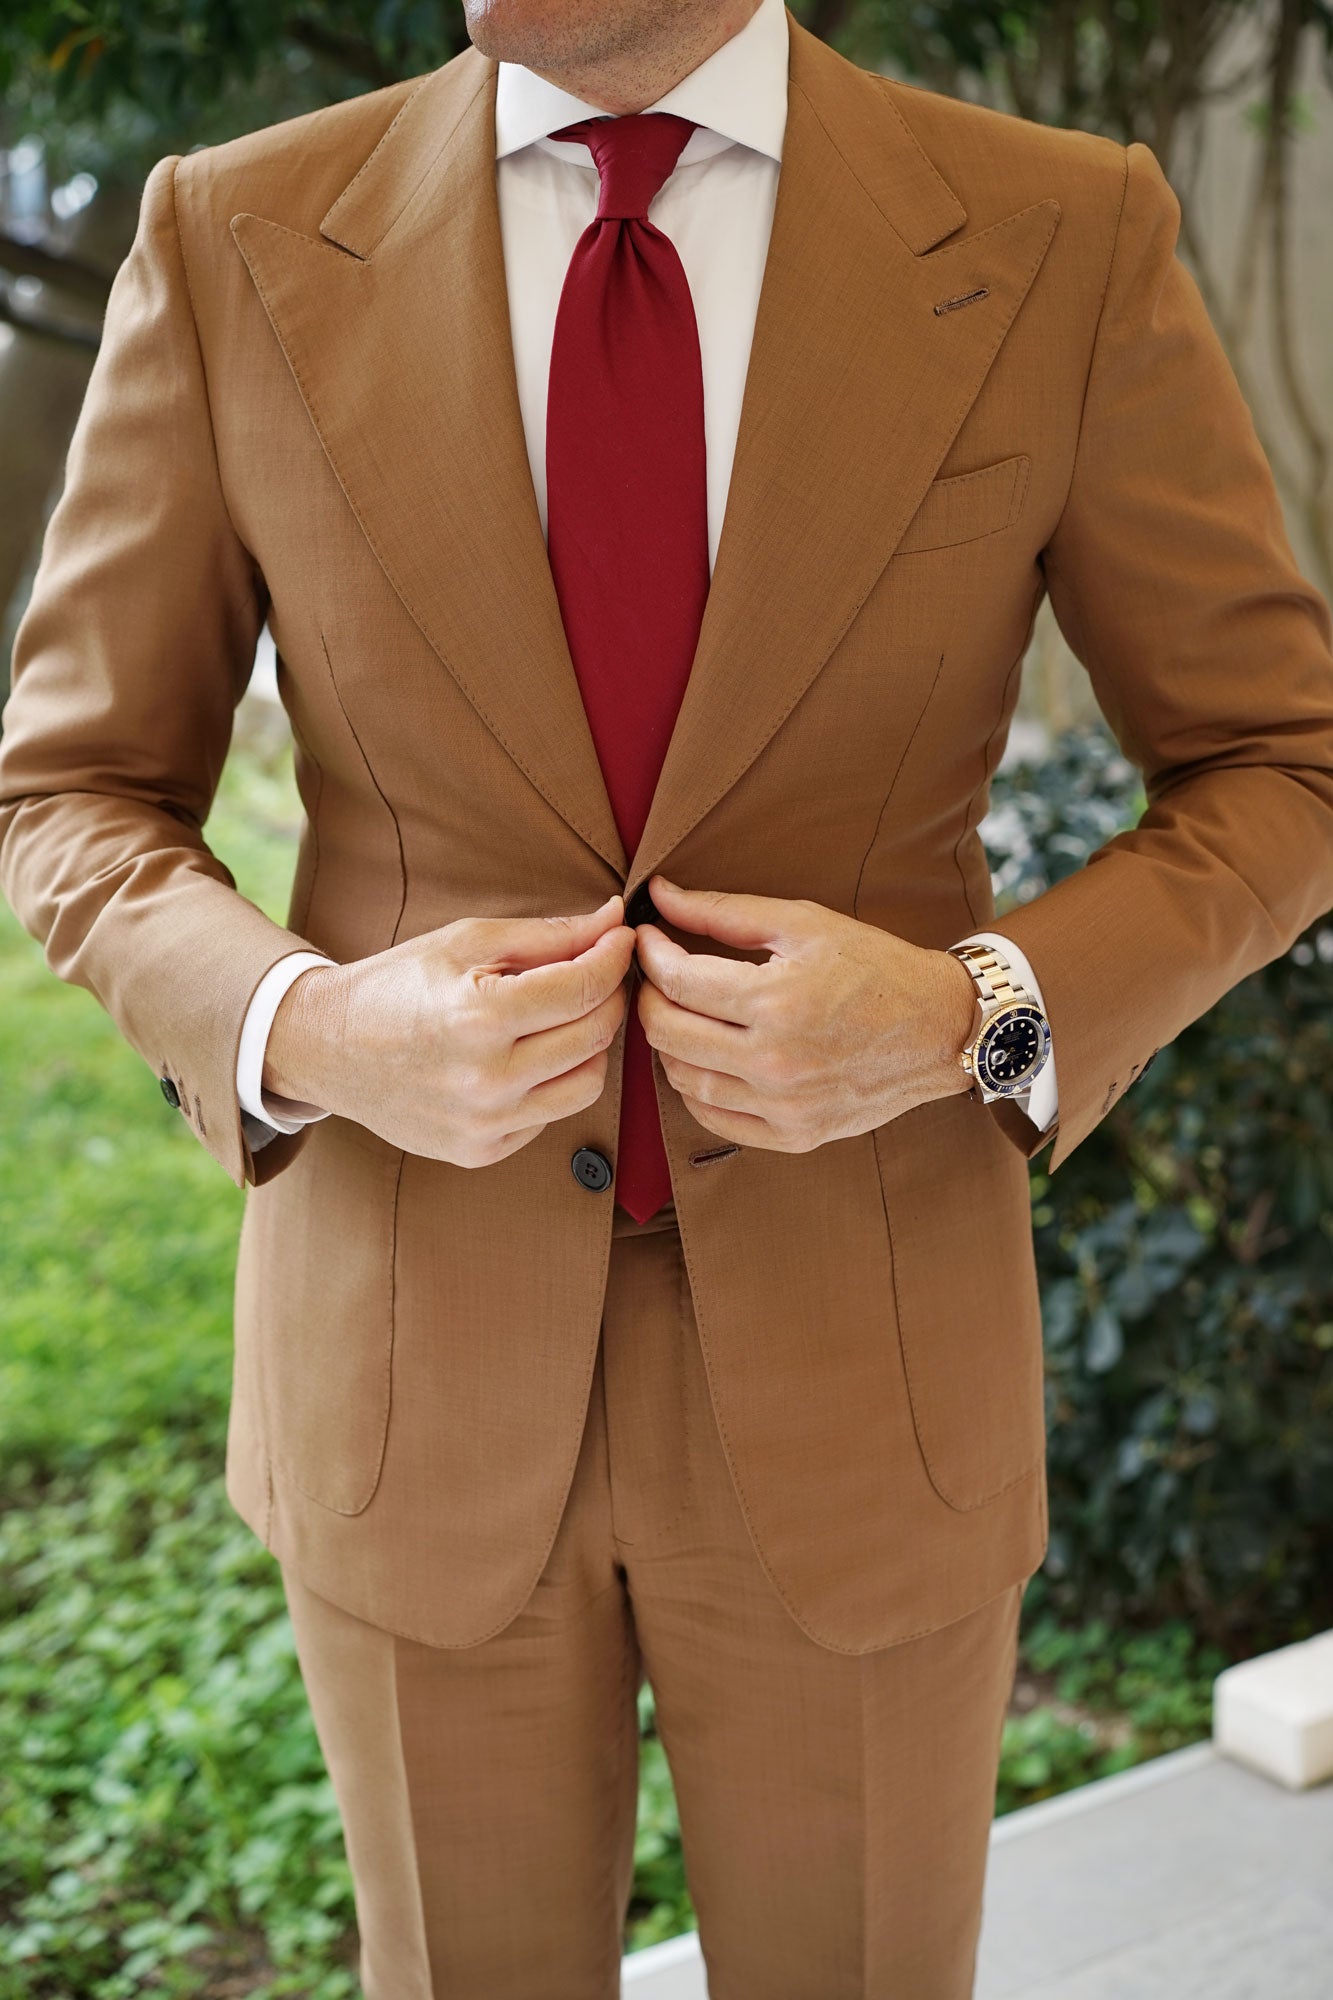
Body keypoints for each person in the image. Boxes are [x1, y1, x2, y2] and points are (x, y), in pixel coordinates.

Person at [3, 0, 1332, 1992]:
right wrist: (315, 1026)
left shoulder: (1058, 232)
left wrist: (980, 1005)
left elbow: (1278, 763)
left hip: (866, 1361)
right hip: (409, 1371)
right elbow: (74, 788)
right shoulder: (236, 234)